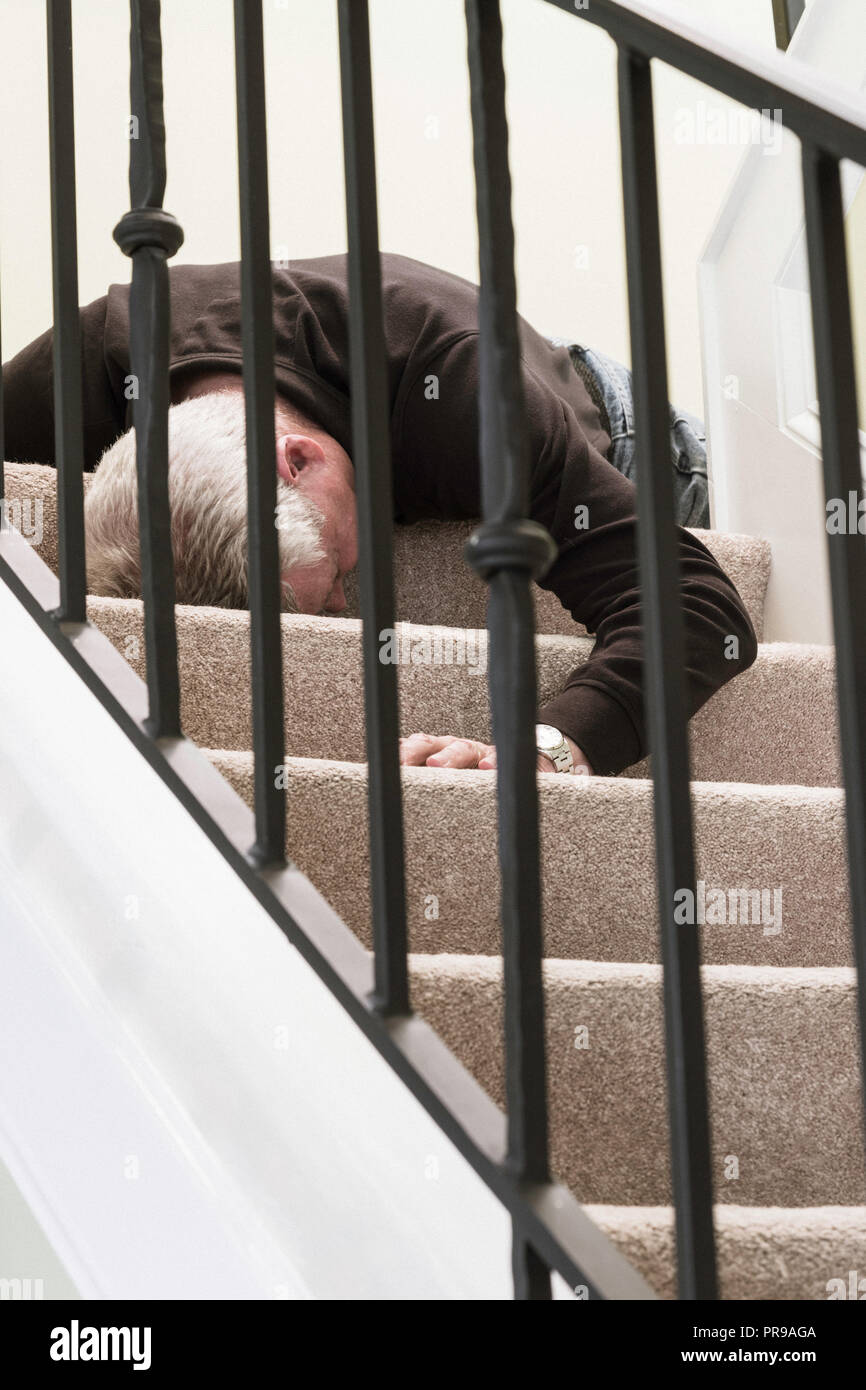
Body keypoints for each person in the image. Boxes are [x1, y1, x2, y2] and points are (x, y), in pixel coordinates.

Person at [2, 253, 756, 778]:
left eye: (324, 579)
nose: (340, 608)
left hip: (627, 433)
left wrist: (553, 745)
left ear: (298, 461)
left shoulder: (468, 395)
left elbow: (699, 606)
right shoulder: (94, 361)